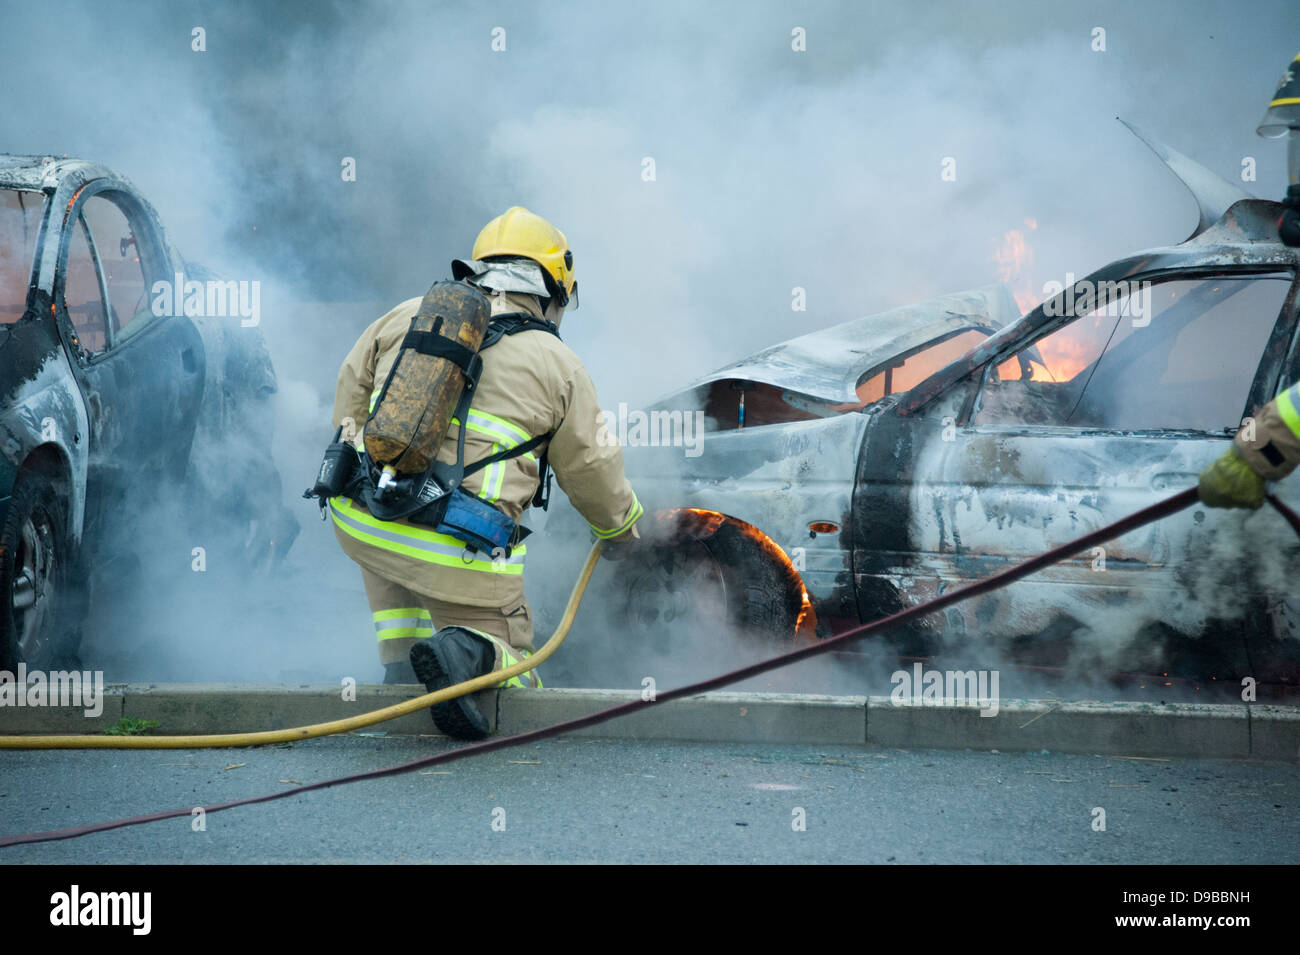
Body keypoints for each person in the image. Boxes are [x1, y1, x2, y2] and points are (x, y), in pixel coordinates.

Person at [329, 206, 642, 738]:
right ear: (552, 291)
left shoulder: (408, 314)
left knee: (401, 572)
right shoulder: (558, 363)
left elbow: (348, 398)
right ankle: (466, 652)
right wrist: (621, 530)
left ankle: (403, 667)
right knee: (516, 666)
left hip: (364, 517)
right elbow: (591, 465)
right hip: (458, 545)